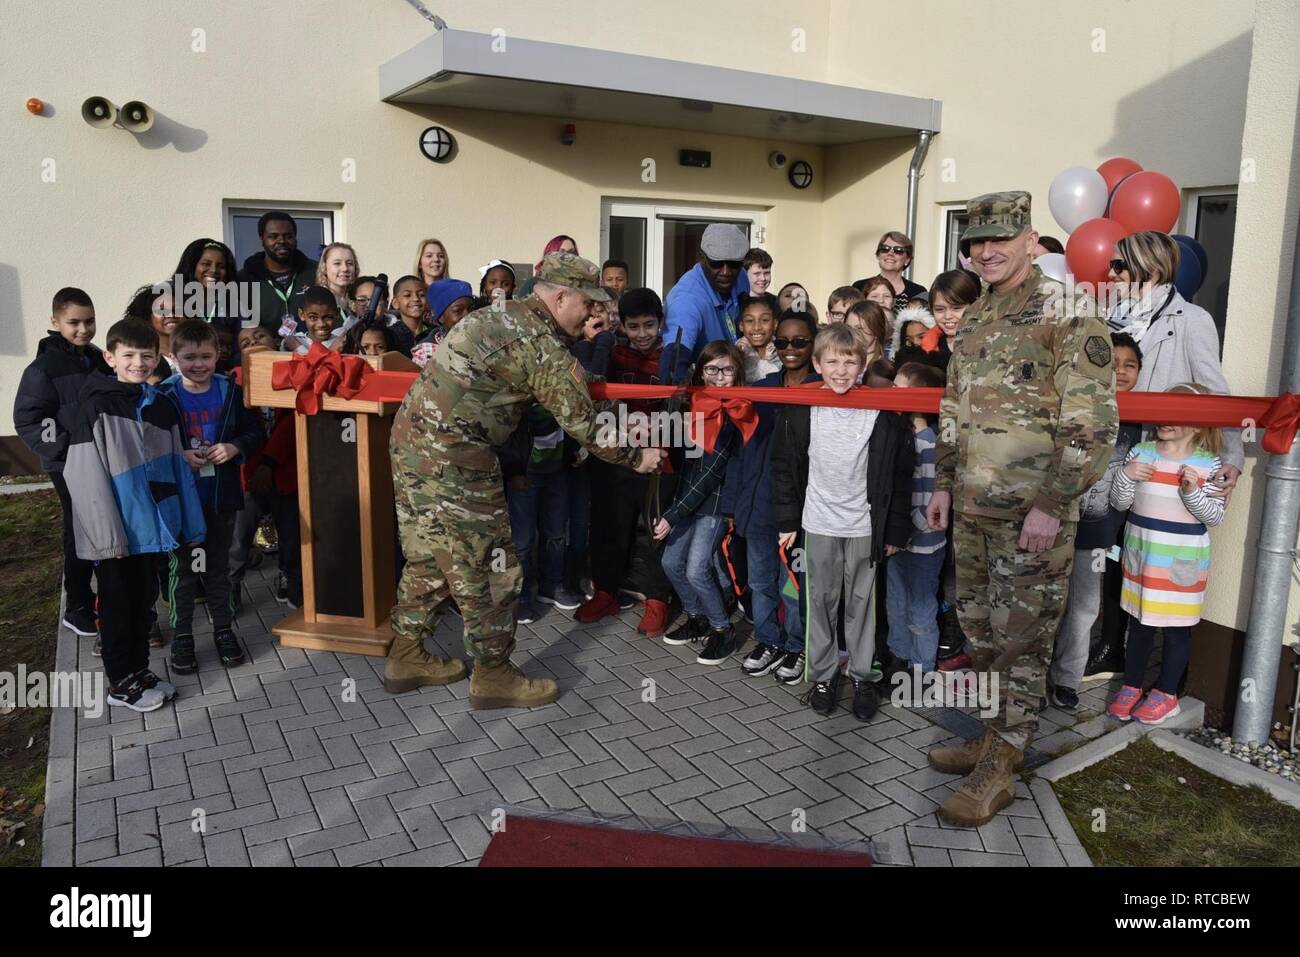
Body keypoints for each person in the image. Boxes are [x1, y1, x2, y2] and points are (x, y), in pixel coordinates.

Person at [386, 252, 665, 709]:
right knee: (491, 564)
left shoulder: (503, 316)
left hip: (414, 447)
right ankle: (494, 674)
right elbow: (583, 423)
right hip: (456, 458)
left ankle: (406, 654)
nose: (594, 314)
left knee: (431, 556)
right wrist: (637, 456)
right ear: (560, 297)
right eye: (588, 304)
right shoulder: (536, 339)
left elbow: (556, 380)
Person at [925, 191, 1118, 828]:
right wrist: (944, 485)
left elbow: (1090, 422)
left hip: (1032, 516)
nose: (985, 251)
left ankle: (1004, 766)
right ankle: (991, 738)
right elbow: (954, 412)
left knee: (1022, 642)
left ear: (1030, 238)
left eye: (999, 239)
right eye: (975, 241)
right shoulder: (976, 317)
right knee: (980, 635)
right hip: (975, 510)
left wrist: (1052, 503)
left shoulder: (1067, 311)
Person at [773, 323, 915, 719]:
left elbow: (900, 474)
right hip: (817, 521)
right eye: (831, 361)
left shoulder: (883, 412)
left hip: (865, 526)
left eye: (849, 361)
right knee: (819, 602)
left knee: (862, 606)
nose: (840, 370)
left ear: (863, 363)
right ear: (816, 362)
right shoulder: (801, 408)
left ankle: (863, 677)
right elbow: (783, 467)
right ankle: (822, 675)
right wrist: (787, 521)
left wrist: (896, 529)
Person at [64, 318, 205, 712]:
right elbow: (85, 477)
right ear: (110, 357)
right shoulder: (96, 407)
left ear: (159, 357)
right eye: (128, 355)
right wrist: (110, 540)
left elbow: (176, 466)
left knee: (143, 602)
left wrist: (188, 523)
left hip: (152, 528)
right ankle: (120, 681)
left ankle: (140, 670)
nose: (138, 363)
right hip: (117, 534)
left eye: (147, 355)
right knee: (117, 606)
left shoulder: (160, 404)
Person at [1106, 383, 1226, 725]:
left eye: (1179, 411)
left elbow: (1215, 516)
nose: (1166, 418)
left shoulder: (1208, 464)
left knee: (1176, 630)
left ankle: (1167, 693)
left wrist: (1191, 492)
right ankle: (1131, 685)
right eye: (1165, 408)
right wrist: (1126, 477)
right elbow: (1119, 502)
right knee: (1140, 625)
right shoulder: (1141, 452)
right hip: (1142, 559)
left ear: (1199, 422)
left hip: (1180, 565)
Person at [158, 320, 265, 674]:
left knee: (218, 569)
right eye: (189, 358)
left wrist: (235, 446)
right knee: (184, 570)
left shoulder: (232, 391)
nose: (199, 364)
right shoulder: (165, 395)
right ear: (173, 357)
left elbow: (255, 431)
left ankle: (223, 630)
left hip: (220, 496)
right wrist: (179, 454)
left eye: (206, 356)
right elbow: (150, 444)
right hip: (182, 502)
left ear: (218, 354)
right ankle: (184, 635)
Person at [1105, 230, 1243, 498]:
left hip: (1154, 459)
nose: (1110, 274)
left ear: (1152, 270)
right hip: (1105, 453)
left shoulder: (1192, 320)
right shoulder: (1105, 315)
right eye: (1112, 265)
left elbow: (1217, 396)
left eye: (1119, 266)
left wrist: (1232, 457)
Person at [1049, 333, 1144, 708]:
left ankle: (1066, 678)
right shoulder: (1074, 406)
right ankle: (1031, 677)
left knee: (1085, 606)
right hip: (1054, 525)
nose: (1120, 371)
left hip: (1098, 532)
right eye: (1112, 363)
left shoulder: (1142, 419)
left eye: (1130, 365)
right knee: (1045, 604)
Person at [13, 287, 111, 639]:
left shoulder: (99, 358)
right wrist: (68, 449)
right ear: (55, 322)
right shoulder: (43, 368)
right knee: (79, 530)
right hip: (68, 464)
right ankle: (77, 606)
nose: (83, 329)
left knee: (101, 527)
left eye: (90, 321)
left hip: (102, 460)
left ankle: (103, 595)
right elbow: (28, 418)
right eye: (74, 322)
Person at [578, 288, 674, 637]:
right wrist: (602, 341)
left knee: (654, 529)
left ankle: (656, 600)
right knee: (608, 525)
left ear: (661, 323)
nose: (643, 334)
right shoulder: (612, 353)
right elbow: (591, 384)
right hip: (614, 453)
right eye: (634, 326)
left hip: (661, 455)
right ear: (623, 325)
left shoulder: (674, 356)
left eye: (650, 325)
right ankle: (605, 592)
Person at [656, 341, 745, 664]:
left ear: (738, 373)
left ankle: (723, 630)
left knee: (696, 570)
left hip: (715, 503)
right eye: (711, 370)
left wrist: (672, 514)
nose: (719, 377)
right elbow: (690, 465)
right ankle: (698, 617)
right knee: (670, 563)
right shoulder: (697, 404)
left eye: (727, 370)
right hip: (689, 498)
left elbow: (710, 473)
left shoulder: (734, 411)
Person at [228, 325, 303, 613]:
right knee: (239, 537)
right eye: (245, 341)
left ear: (275, 339)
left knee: (292, 534)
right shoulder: (234, 381)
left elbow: (291, 422)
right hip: (249, 472)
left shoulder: (294, 371)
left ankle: (292, 581)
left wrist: (270, 464)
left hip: (286, 471)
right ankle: (230, 586)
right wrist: (260, 466)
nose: (253, 342)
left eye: (260, 335)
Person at [884, 361, 948, 676]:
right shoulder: (901, 435)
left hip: (922, 545)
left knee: (921, 610)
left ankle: (922, 666)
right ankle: (899, 656)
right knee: (896, 603)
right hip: (899, 542)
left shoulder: (931, 443)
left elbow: (930, 498)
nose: (892, 393)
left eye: (899, 388)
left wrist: (905, 532)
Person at [661, 223, 750, 382]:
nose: (726, 272)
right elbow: (675, 356)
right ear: (702, 258)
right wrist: (670, 398)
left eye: (734, 264)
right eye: (716, 263)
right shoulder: (686, 300)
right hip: (707, 386)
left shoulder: (742, 276)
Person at [237, 211, 318, 333]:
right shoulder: (245, 279)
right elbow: (244, 327)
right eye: (273, 236)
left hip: (310, 349)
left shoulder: (315, 271)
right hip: (266, 351)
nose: (281, 241)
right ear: (261, 239)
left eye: (288, 236)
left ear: (295, 238)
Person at [172, 239, 244, 342]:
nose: (214, 270)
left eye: (221, 266)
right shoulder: (172, 298)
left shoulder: (234, 304)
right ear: (192, 266)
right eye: (206, 264)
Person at [921, 269, 981, 369]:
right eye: (940, 309)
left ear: (974, 306)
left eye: (956, 308)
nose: (948, 316)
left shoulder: (987, 342)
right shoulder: (928, 348)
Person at [855, 232, 927, 310]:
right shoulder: (859, 287)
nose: (890, 253)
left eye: (898, 250)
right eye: (885, 249)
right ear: (878, 255)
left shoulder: (918, 292)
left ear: (907, 259)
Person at [413, 279, 475, 366]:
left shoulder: (482, 341)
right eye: (458, 311)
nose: (467, 315)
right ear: (441, 317)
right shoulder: (427, 354)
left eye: (471, 309)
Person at [279, 286, 356, 354]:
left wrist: (298, 348)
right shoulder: (292, 342)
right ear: (301, 315)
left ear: (337, 313)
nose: (321, 324)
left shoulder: (342, 343)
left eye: (328, 317)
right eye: (313, 317)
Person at [126, 284, 179, 374]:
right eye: (162, 310)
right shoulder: (139, 362)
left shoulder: (204, 351)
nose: (171, 315)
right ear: (146, 316)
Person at [736, 292, 781, 382]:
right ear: (741, 325)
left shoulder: (782, 349)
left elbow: (778, 378)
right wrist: (741, 355)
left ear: (775, 324)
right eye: (749, 321)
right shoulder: (736, 352)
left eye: (764, 320)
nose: (756, 327)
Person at [383, 275, 428, 357]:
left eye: (421, 295)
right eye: (407, 295)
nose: (416, 299)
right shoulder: (389, 335)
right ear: (395, 303)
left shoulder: (436, 333)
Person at [315, 243, 359, 314]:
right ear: (324, 268)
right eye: (337, 263)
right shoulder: (317, 301)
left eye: (350, 263)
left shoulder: (358, 300)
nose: (345, 269)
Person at [844, 300, 889, 365]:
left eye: (859, 328)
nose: (851, 333)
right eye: (848, 327)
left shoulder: (885, 368)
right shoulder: (838, 363)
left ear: (876, 330)